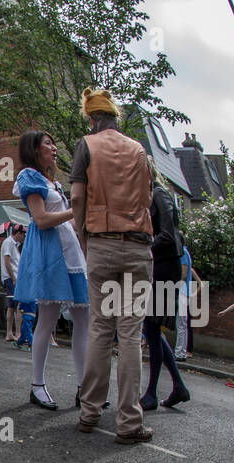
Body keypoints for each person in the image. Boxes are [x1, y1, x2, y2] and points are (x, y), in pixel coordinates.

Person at [70, 87, 154, 444]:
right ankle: (129, 422)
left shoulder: (86, 146)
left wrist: (86, 240)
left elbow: (76, 197)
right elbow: (148, 197)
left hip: (101, 244)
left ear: (92, 118)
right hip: (136, 246)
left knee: (101, 331)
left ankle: (89, 412)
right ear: (115, 117)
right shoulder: (139, 150)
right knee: (131, 336)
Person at [10, 131, 89, 409]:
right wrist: (75, 211)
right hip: (49, 252)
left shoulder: (52, 181)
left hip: (70, 252)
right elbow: (41, 219)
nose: (54, 148)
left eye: (54, 143)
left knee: (84, 319)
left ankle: (84, 388)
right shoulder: (29, 176)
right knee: (48, 319)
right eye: (48, 144)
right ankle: (37, 385)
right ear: (33, 149)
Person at [141, 159, 191, 411]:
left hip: (165, 266)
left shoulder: (160, 194)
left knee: (151, 327)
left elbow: (169, 235)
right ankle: (178, 387)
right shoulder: (150, 195)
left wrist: (143, 246)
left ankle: (152, 393)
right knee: (151, 329)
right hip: (160, 265)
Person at [1, 225, 24, 341]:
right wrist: (14, 278)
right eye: (23, 234)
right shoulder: (9, 243)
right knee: (19, 305)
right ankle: (18, 333)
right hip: (11, 278)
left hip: (13, 278)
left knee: (12, 306)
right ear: (18, 233)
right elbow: (7, 262)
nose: (24, 236)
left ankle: (10, 333)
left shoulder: (15, 245)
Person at [175, 235, 193, 360]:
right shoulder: (184, 252)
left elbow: (183, 274)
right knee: (181, 324)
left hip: (181, 292)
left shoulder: (183, 254)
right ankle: (180, 351)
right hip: (183, 292)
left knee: (181, 324)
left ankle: (180, 352)